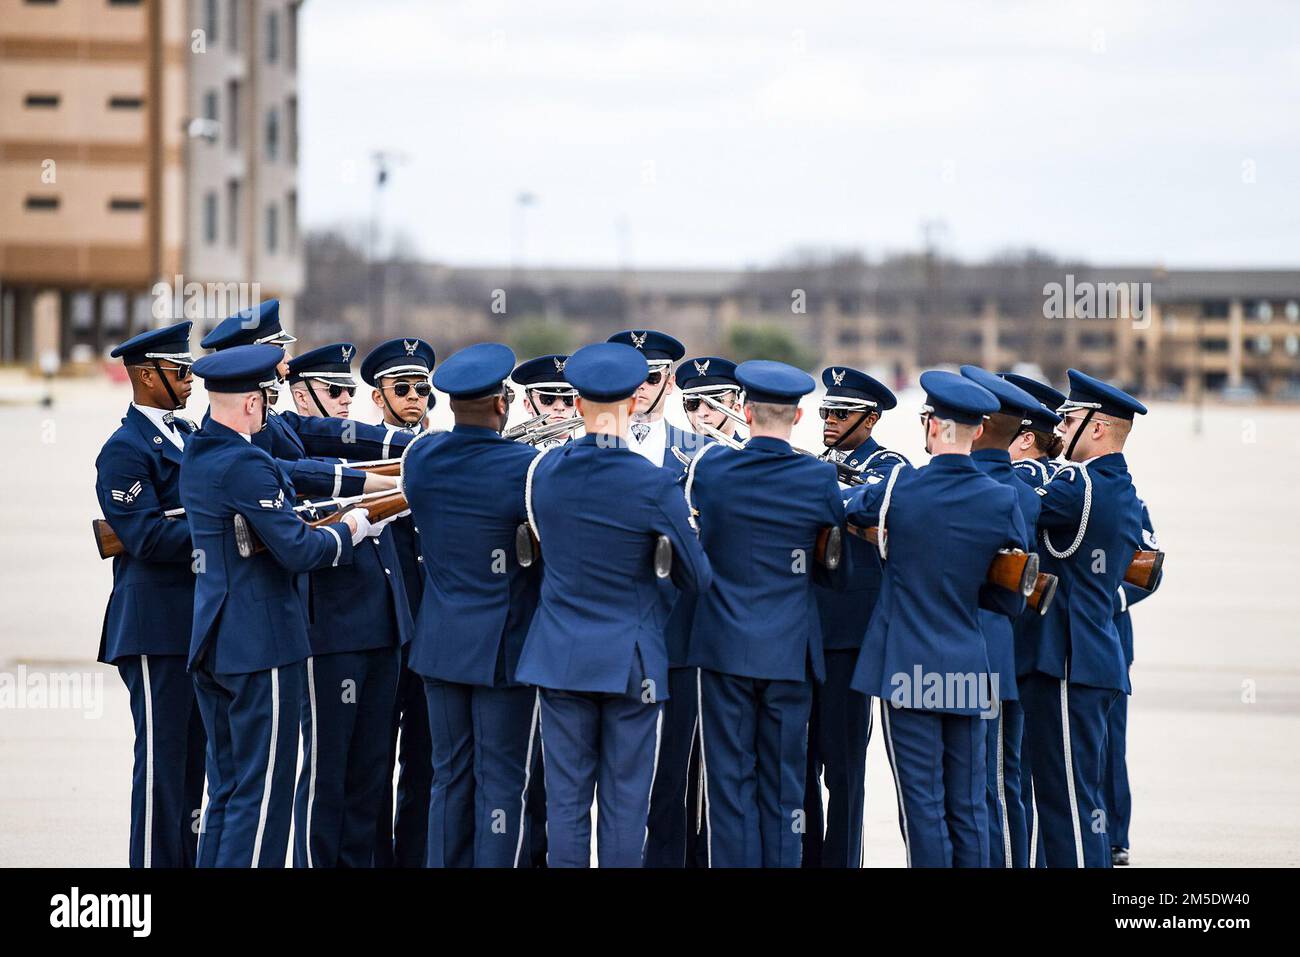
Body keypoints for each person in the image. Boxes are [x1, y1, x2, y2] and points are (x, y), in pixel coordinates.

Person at [515, 342, 712, 867]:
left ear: (577, 405)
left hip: (560, 657)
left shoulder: (544, 473)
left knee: (566, 806)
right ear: (631, 403)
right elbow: (696, 578)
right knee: (626, 807)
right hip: (632, 661)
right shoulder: (654, 483)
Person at [182, 345, 371, 867]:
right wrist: (352, 528)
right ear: (250, 403)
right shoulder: (246, 463)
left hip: (217, 640)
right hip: (260, 644)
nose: (267, 408)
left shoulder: (199, 454)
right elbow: (299, 550)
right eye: (264, 398)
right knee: (265, 791)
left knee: (226, 790)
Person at [847, 371, 1029, 867]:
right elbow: (1010, 587)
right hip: (970, 663)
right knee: (969, 804)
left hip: (908, 667)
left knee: (922, 805)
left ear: (933, 425)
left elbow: (850, 508)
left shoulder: (900, 488)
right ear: (977, 430)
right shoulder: (1000, 498)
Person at [687, 360, 847, 868]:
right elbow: (834, 566)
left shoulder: (711, 468)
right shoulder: (819, 476)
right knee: (784, 789)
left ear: (745, 411)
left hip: (726, 647)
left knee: (731, 787)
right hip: (788, 651)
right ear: (798, 417)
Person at [403, 343, 544, 867]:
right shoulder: (526, 467)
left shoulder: (421, 459)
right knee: (503, 784)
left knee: (450, 778)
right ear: (502, 404)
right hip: (502, 650)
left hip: (440, 644)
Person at [284, 344, 411, 867]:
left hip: (383, 628)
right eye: (335, 392)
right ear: (300, 393)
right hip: (331, 631)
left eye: (350, 393)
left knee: (370, 773)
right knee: (326, 773)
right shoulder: (284, 434)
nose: (345, 402)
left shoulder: (345, 443)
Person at [1019, 369, 1148, 868]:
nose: (1059, 428)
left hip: (1068, 660)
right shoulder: (1119, 485)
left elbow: (1006, 500)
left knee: (1068, 804)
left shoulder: (1078, 484)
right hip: (1089, 658)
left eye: (1068, 418)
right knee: (1069, 799)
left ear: (1096, 428)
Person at [95, 320, 205, 867]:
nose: (190, 378)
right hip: (153, 627)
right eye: (179, 370)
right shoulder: (124, 449)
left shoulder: (188, 435)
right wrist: (216, 530)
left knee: (193, 769)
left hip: (195, 626)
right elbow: (144, 535)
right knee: (162, 767)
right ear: (146, 375)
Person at [804, 365, 907, 869]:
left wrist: (828, 498)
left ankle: (843, 861)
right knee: (800, 767)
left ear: (869, 419)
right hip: (806, 632)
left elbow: (874, 504)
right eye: (825, 410)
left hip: (849, 636)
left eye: (839, 412)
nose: (828, 420)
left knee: (843, 769)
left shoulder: (888, 464)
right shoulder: (818, 462)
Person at [645, 355, 742, 868]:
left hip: (693, 630)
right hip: (631, 631)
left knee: (692, 778)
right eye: (692, 403)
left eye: (713, 401)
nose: (701, 412)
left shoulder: (721, 460)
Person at [959, 365, 1046, 869]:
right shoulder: (1018, 489)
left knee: (989, 786)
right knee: (998, 782)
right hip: (999, 656)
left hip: (983, 658)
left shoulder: (992, 488)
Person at [360, 336, 438, 868]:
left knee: (425, 767)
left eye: (423, 390)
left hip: (432, 634)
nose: (415, 398)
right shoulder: (359, 452)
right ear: (378, 398)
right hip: (381, 631)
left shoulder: (439, 454)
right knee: (370, 766)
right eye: (402, 388)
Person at [200, 301, 405, 498]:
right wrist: (382, 485)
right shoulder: (232, 424)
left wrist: (413, 444)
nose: (288, 358)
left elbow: (333, 432)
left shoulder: (271, 417)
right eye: (279, 349)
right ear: (253, 356)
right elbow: (286, 472)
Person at [1106, 500, 1159, 866]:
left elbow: (1149, 564)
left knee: (1108, 744)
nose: (1061, 436)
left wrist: (1109, 600)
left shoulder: (1126, 501)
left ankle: (1113, 835)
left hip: (1109, 640)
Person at [605, 329, 703, 468]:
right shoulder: (590, 448)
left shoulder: (700, 450)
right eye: (631, 376)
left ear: (669, 384)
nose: (640, 385)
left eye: (652, 377)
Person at [511, 353, 581, 448]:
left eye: (569, 399)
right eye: (547, 399)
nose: (559, 407)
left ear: (578, 404)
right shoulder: (511, 455)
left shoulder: (590, 457)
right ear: (528, 404)